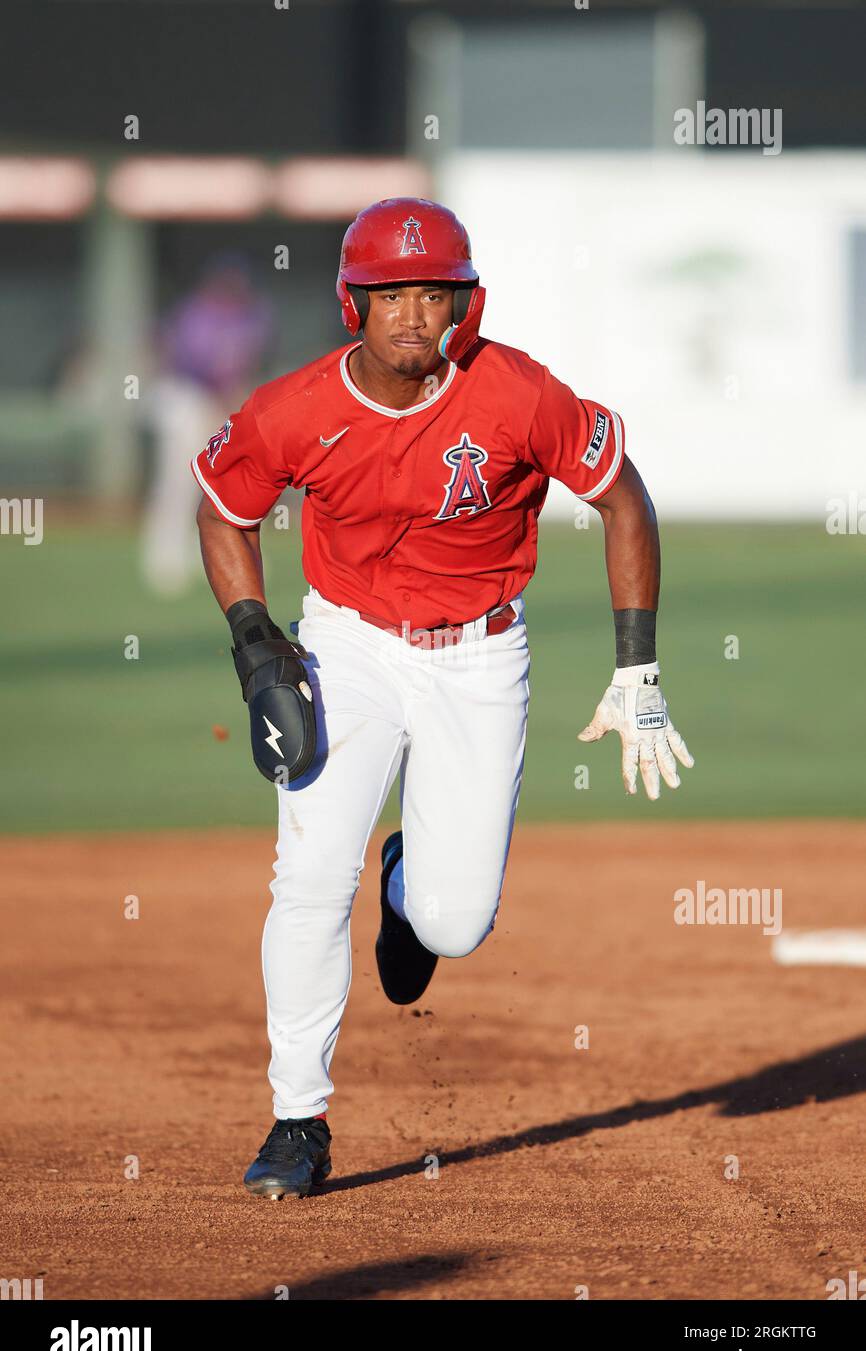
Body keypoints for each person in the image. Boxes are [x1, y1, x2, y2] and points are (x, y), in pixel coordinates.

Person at [192, 197, 693, 1200]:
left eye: (434, 293)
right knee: (306, 878)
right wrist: (255, 644)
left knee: (453, 922)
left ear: (467, 301)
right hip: (348, 644)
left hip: (477, 655)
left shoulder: (512, 392)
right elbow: (223, 508)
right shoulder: (292, 410)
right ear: (350, 304)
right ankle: (299, 1118)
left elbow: (619, 493)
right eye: (390, 295)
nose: (414, 315)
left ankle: (405, 885)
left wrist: (635, 668)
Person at [142, 252, 274, 594]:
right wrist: (220, 399)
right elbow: (190, 362)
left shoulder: (252, 316)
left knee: (226, 481)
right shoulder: (195, 313)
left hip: (225, 401)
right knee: (181, 480)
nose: (231, 291)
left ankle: (220, 557)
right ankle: (164, 559)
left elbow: (251, 363)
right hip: (185, 397)